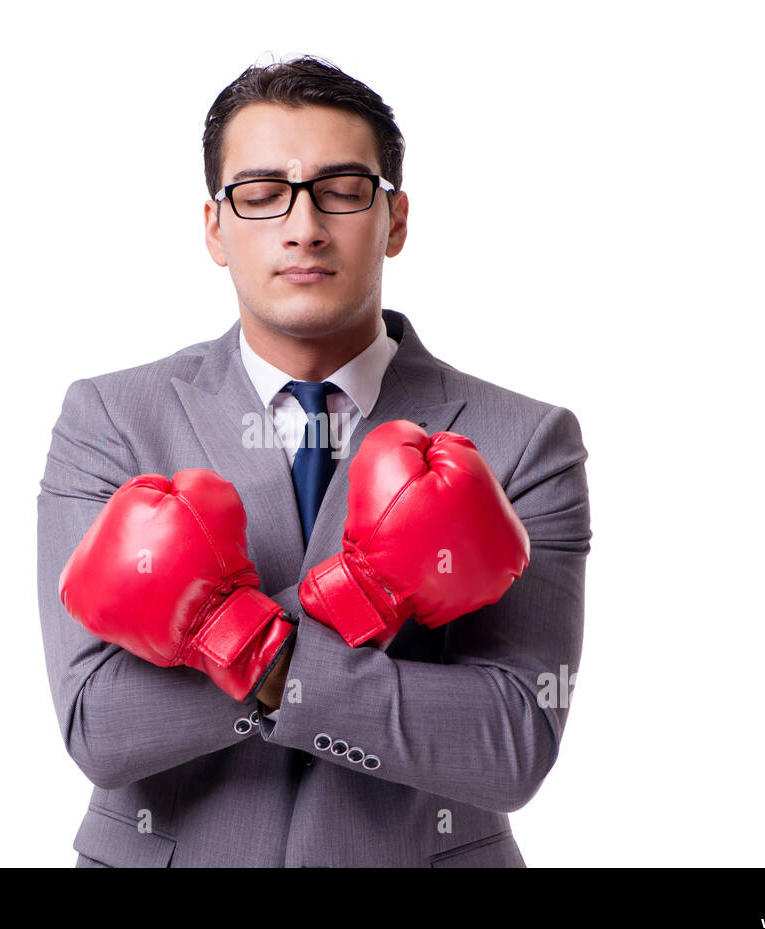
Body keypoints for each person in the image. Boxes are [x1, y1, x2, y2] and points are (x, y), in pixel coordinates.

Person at [36, 55, 592, 867]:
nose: (303, 226)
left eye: (341, 189)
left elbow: (510, 743)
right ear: (214, 228)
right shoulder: (111, 420)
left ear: (395, 219)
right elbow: (99, 726)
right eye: (261, 196)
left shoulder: (526, 439)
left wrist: (239, 643)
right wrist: (354, 600)